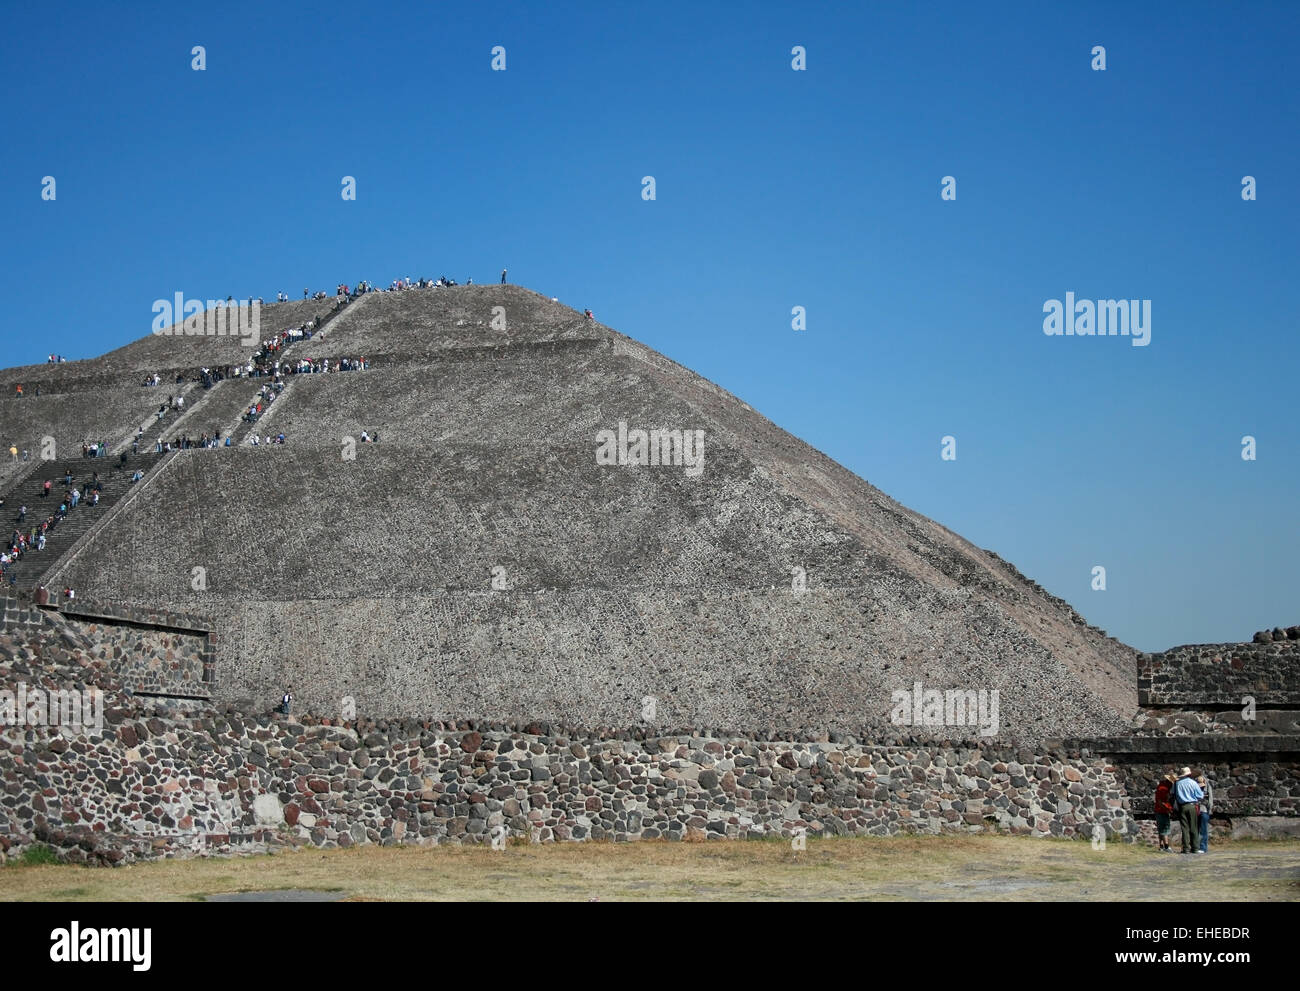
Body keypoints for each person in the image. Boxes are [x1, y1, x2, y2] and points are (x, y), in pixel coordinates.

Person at [1172, 766, 1204, 854]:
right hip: (1191, 805)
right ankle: (1195, 847)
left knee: (1184, 828)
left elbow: (1172, 793)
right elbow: (1200, 796)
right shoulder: (1193, 783)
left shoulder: (1177, 783)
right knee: (1193, 827)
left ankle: (1185, 848)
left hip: (1181, 806)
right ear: (1189, 774)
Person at [1153, 773, 1176, 852]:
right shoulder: (1163, 788)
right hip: (1162, 809)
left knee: (1161, 828)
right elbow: (1160, 801)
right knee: (1165, 828)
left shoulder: (1161, 786)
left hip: (1159, 809)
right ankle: (1166, 846)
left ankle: (1161, 846)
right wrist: (1167, 808)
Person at [1197, 774, 1213, 853]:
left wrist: (1209, 809)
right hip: (1196, 810)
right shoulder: (1195, 786)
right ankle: (1196, 846)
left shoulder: (1208, 787)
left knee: (1203, 830)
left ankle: (1203, 847)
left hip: (1204, 810)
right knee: (1196, 829)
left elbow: (1210, 800)